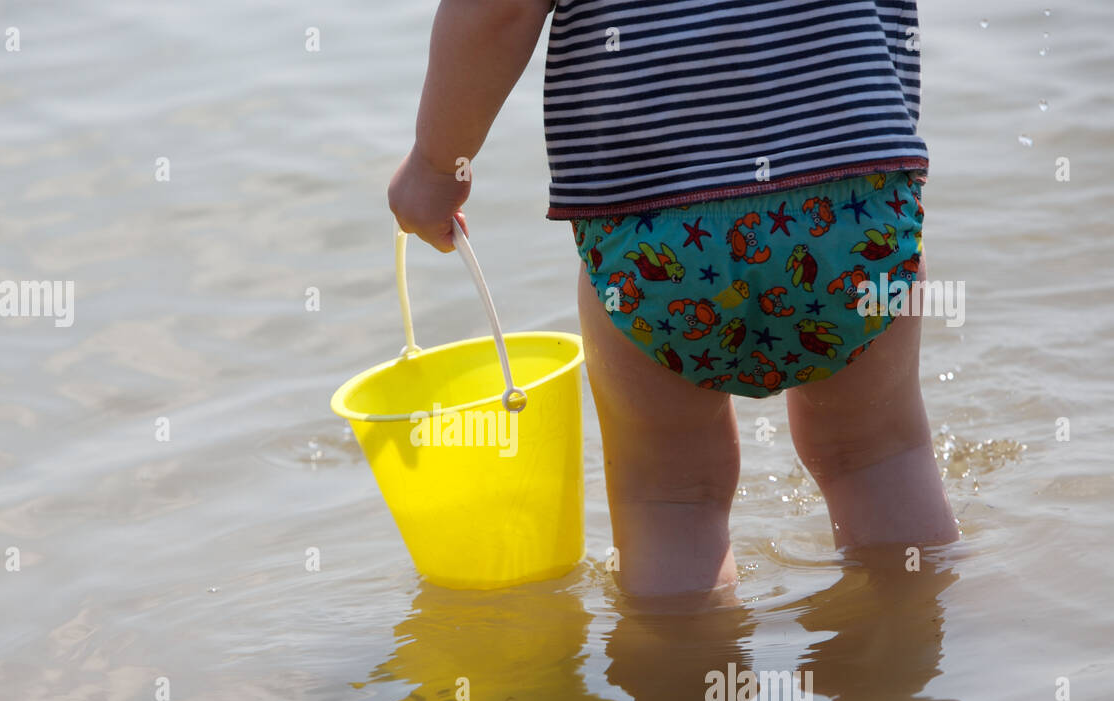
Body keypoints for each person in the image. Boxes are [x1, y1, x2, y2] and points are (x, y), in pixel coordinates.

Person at [388, 0, 957, 596]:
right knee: (879, 456)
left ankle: (681, 651)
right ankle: (909, 640)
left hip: (658, 232)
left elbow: (497, 12)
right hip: (854, 212)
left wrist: (436, 164)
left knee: (670, 496)